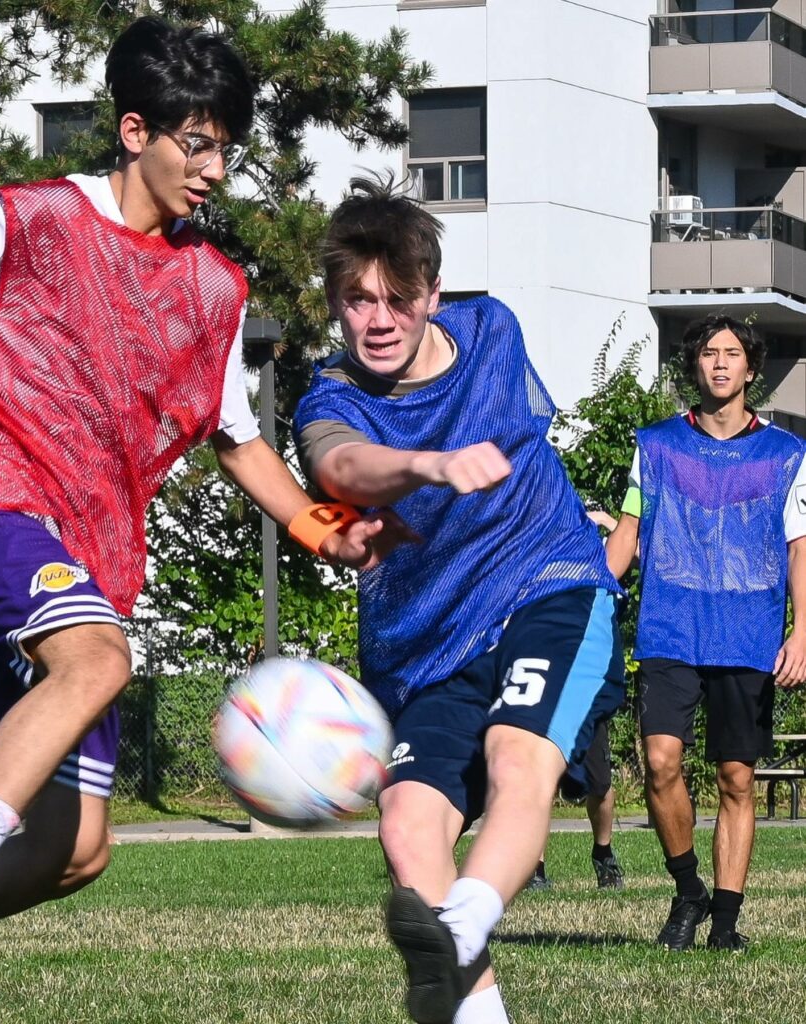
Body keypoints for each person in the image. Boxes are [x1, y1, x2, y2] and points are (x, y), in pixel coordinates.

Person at [0, 17, 406, 921]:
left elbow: (240, 442)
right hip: (2, 506)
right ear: (135, 132)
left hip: (92, 555)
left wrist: (327, 528)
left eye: (228, 150)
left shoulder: (214, 289)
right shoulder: (26, 221)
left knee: (77, 847)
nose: (215, 169)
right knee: (97, 661)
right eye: (198, 144)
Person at [294, 174, 626, 1024]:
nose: (376, 319)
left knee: (519, 762)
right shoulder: (327, 402)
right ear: (335, 301)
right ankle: (479, 1006)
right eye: (356, 299)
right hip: (423, 645)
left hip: (544, 586)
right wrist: (428, 465)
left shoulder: (493, 333)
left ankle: (464, 919)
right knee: (406, 830)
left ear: (433, 295)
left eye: (397, 299)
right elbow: (338, 471)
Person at [603, 313, 806, 952]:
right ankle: (687, 888)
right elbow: (628, 534)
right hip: (671, 625)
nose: (720, 363)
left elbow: (800, 548)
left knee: (736, 778)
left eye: (733, 353)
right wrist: (586, 597)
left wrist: (802, 633)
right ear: (694, 366)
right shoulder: (656, 445)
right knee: (661, 764)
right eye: (709, 353)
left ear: (752, 368)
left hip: (749, 632)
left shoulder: (786, 455)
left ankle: (723, 922)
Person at [527, 720, 625, 891]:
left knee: (600, 785)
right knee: (541, 782)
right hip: (548, 703)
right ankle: (535, 870)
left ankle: (604, 856)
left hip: (587, 706)